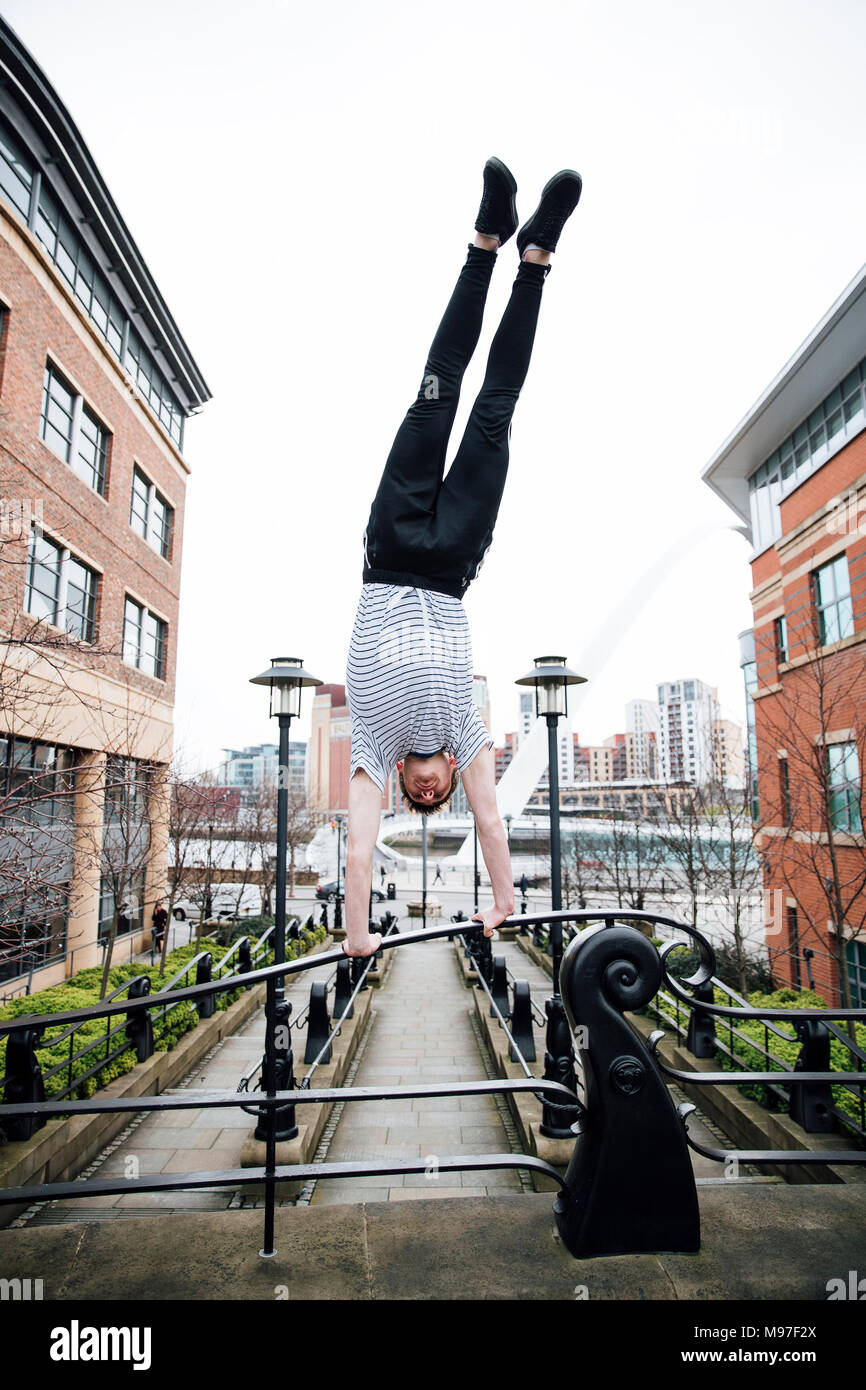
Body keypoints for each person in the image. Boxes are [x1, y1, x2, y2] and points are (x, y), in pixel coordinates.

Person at [343, 158, 582, 957]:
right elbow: (489, 818)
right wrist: (502, 903)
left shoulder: (374, 749)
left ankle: (487, 237)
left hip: (391, 544)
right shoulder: (467, 734)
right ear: (447, 772)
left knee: (438, 385)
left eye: (419, 797)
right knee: (495, 409)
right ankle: (537, 256)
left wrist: (353, 934)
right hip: (452, 565)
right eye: (433, 793)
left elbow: (355, 848)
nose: (426, 789)